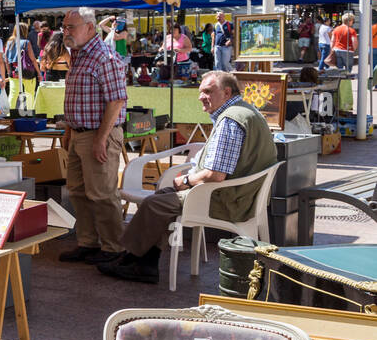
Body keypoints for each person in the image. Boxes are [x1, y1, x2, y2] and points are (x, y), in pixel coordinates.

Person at [100, 72, 275, 284]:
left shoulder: (230, 120)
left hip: (228, 199)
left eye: (208, 91)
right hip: (243, 195)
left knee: (154, 203)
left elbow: (215, 175)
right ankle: (140, 259)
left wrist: (184, 181)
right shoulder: (247, 111)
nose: (201, 96)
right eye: (201, 92)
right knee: (162, 197)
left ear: (227, 92)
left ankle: (136, 260)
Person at [58, 7, 127, 266]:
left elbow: (117, 100)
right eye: (64, 27)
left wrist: (101, 139)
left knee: (102, 193)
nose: (66, 32)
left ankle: (114, 248)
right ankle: (88, 243)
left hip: (98, 134)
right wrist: (69, 130)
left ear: (90, 27)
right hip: (79, 133)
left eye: (71, 27)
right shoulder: (79, 54)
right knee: (77, 191)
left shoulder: (104, 56)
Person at [5, 22, 39, 105]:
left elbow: (6, 59)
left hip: (14, 71)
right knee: (30, 94)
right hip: (27, 71)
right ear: (25, 31)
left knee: (13, 95)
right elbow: (33, 59)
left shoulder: (9, 42)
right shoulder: (26, 42)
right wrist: (38, 73)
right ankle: (30, 115)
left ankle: (10, 115)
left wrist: (8, 71)